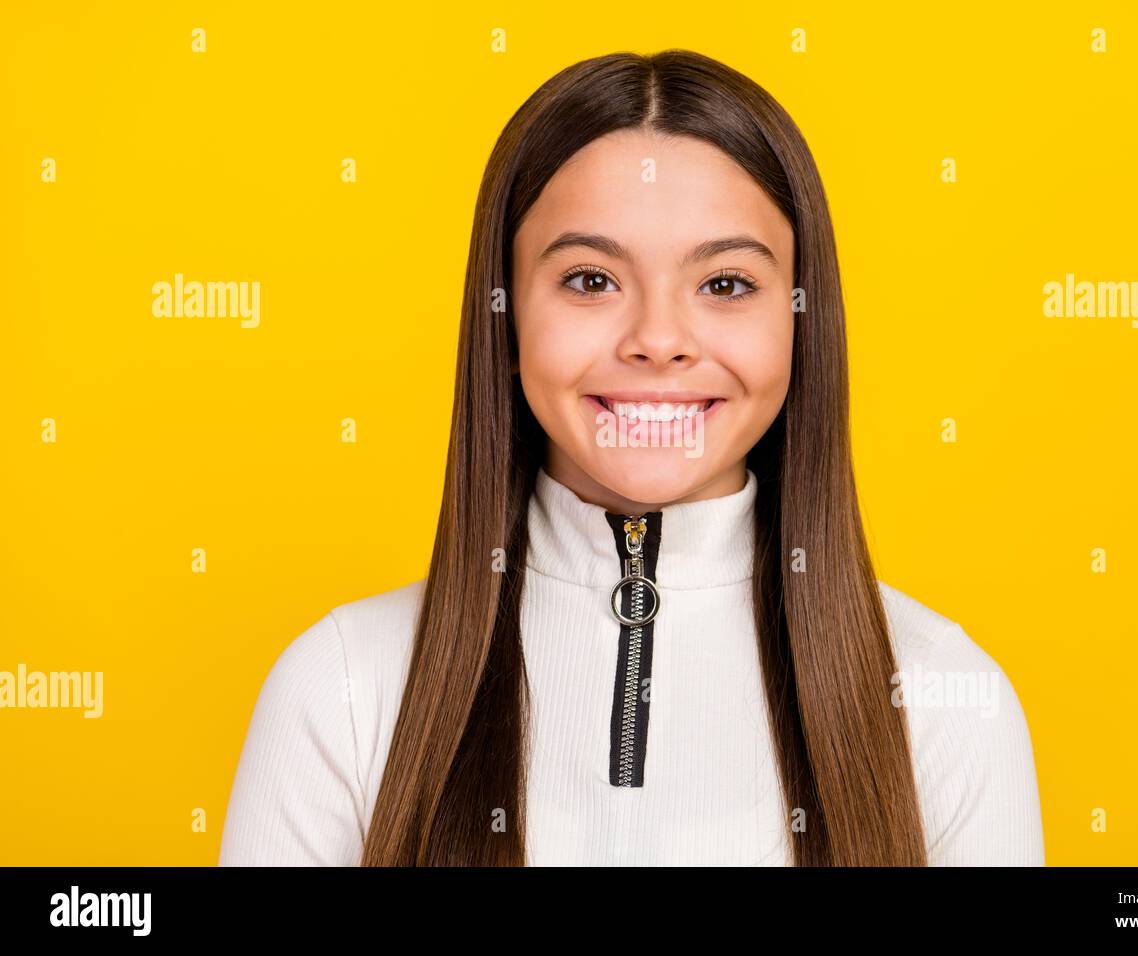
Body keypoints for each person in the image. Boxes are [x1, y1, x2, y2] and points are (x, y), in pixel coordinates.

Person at [218, 48, 1045, 867]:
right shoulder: (342, 688)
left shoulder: (946, 702)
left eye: (724, 284)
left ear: (800, 320)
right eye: (590, 280)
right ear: (504, 317)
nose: (657, 340)